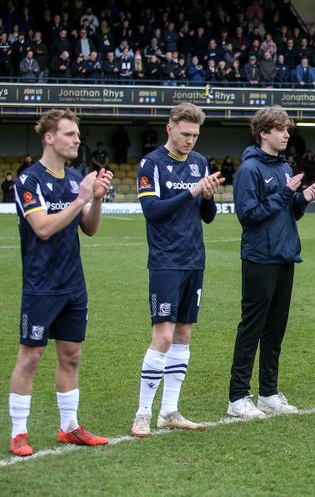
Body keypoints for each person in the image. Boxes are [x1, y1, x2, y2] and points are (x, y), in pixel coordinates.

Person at [8, 109, 114, 457]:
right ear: (49, 138)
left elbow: (91, 228)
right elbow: (42, 228)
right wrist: (82, 197)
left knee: (71, 355)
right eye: (69, 134)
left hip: (73, 283)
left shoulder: (74, 179)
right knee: (31, 356)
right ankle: (18, 432)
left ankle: (70, 427)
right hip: (41, 285)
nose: (77, 139)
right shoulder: (28, 180)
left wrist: (95, 198)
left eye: (77, 134)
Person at [130, 103, 223, 437]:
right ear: (169, 129)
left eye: (195, 135)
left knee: (183, 334)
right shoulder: (151, 163)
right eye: (185, 134)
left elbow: (207, 215)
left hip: (194, 259)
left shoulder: (199, 163)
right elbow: (152, 210)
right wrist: (192, 192)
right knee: (164, 335)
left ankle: (169, 410)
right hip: (166, 260)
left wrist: (208, 196)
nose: (190, 141)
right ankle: (142, 414)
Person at [227, 106, 315, 418]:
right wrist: (284, 193)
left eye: (287, 130)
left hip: (284, 254)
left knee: (275, 329)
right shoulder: (250, 170)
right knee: (252, 327)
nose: (286, 135)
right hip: (260, 257)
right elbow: (248, 215)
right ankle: (238, 397)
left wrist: (302, 199)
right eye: (280, 129)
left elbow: (288, 211)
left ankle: (268, 393)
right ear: (263, 133)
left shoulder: (284, 167)